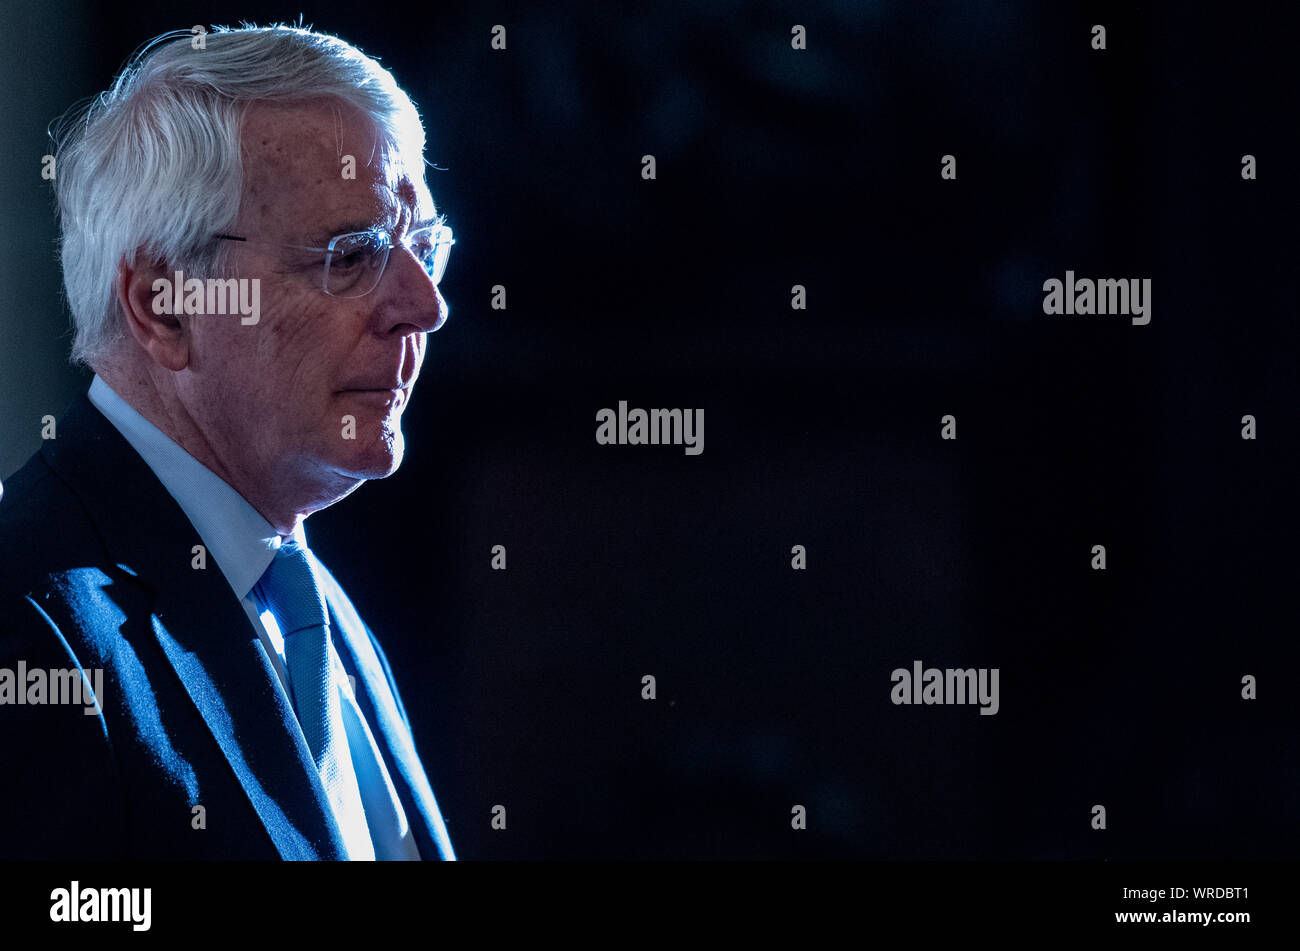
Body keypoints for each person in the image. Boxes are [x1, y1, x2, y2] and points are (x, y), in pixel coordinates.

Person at [0, 24, 456, 860]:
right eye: (354, 254)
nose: (425, 305)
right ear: (164, 305)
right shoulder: (29, 626)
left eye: (425, 247)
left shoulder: (306, 591)